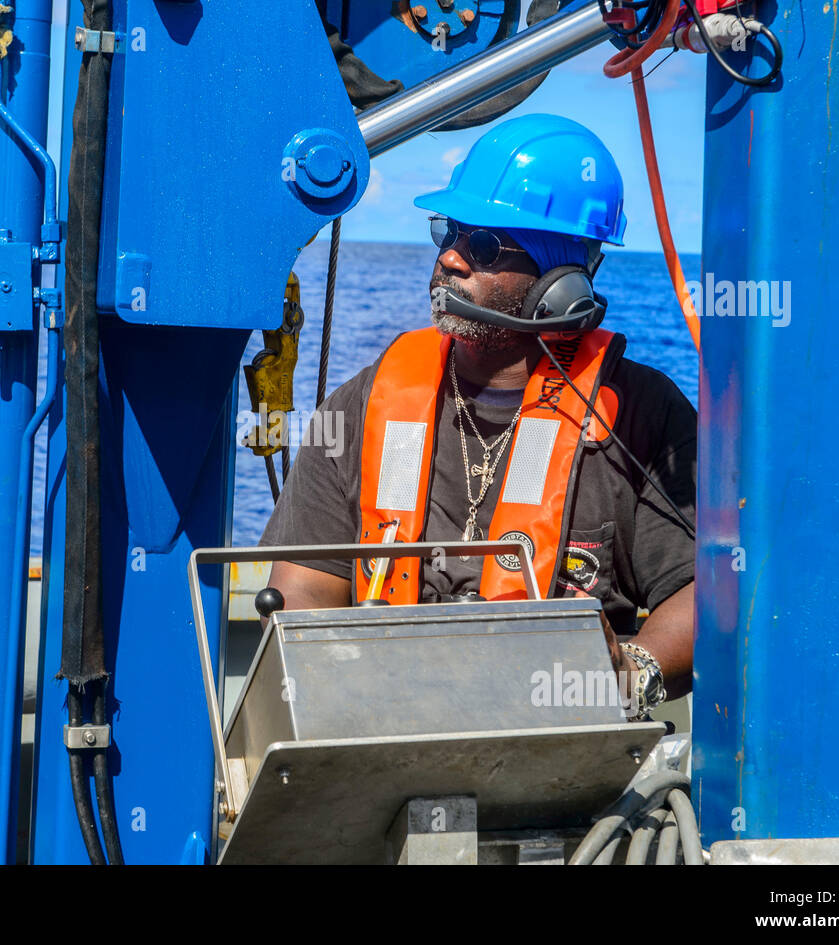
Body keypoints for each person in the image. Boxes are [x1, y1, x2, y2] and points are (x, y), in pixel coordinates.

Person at [258, 114, 697, 717]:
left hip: (561, 744)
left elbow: (708, 588)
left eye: (483, 245)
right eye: (448, 232)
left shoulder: (640, 416)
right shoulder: (363, 405)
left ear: (561, 283)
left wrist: (634, 670)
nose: (451, 260)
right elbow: (301, 590)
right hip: (385, 732)